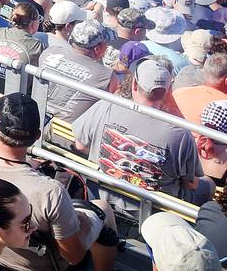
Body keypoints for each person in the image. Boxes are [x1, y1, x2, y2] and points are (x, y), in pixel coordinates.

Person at [0, 93, 120, 271]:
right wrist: (82, 223)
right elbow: (73, 256)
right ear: (37, 136)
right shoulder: (51, 192)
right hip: (38, 268)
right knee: (103, 209)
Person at [74, 58, 209, 206]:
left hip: (100, 195)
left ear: (134, 84)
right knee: (208, 184)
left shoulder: (106, 105)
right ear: (166, 92)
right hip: (153, 210)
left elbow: (80, 146)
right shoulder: (180, 133)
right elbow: (192, 184)